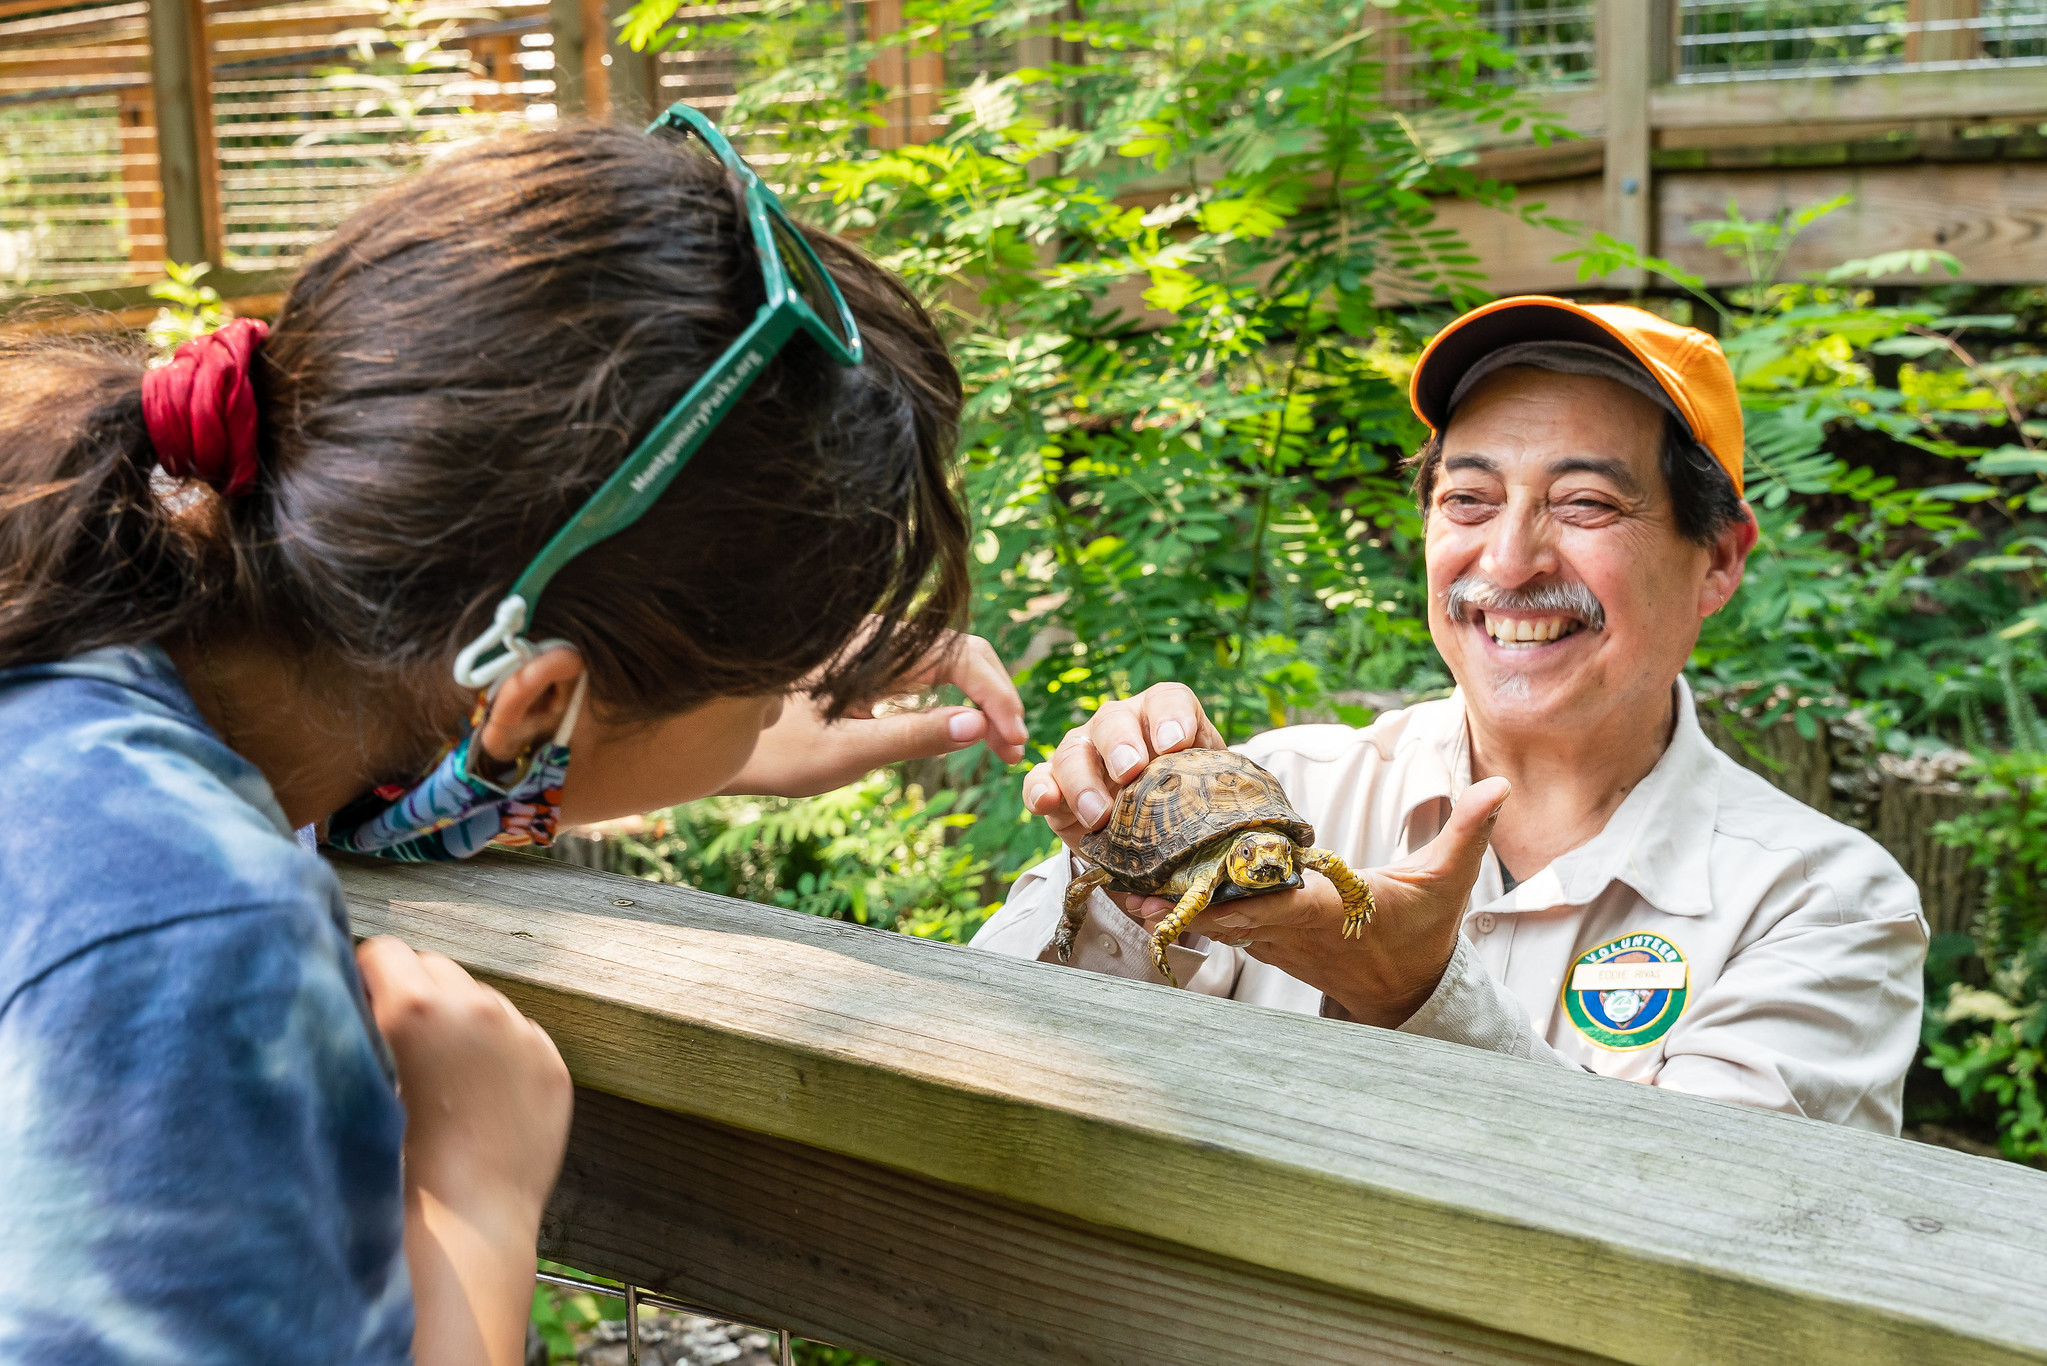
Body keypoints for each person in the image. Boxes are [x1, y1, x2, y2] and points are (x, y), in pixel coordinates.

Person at [0, 110, 1025, 1365]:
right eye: (758, 686)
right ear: (535, 696)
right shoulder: (193, 938)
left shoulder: (82, 634)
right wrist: (477, 1197)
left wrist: (723, 709)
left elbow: (348, 790)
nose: (779, 701)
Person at [975, 296, 1928, 1134]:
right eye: (1467, 498)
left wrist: (1413, 995)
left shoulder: (1821, 904)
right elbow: (998, 1038)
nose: (1510, 562)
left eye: (1585, 502)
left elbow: (1716, 1245)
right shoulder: (1279, 790)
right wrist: (1106, 850)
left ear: (1717, 558)